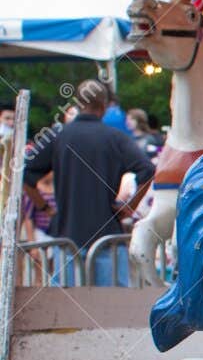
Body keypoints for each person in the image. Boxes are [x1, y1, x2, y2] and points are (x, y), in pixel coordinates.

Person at [22, 79, 154, 287]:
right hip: (107, 235)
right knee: (111, 306)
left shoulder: (58, 136)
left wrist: (45, 208)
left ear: (77, 104)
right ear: (103, 107)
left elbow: (25, 174)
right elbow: (147, 170)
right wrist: (130, 207)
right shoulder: (116, 138)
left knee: (66, 309)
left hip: (66, 235)